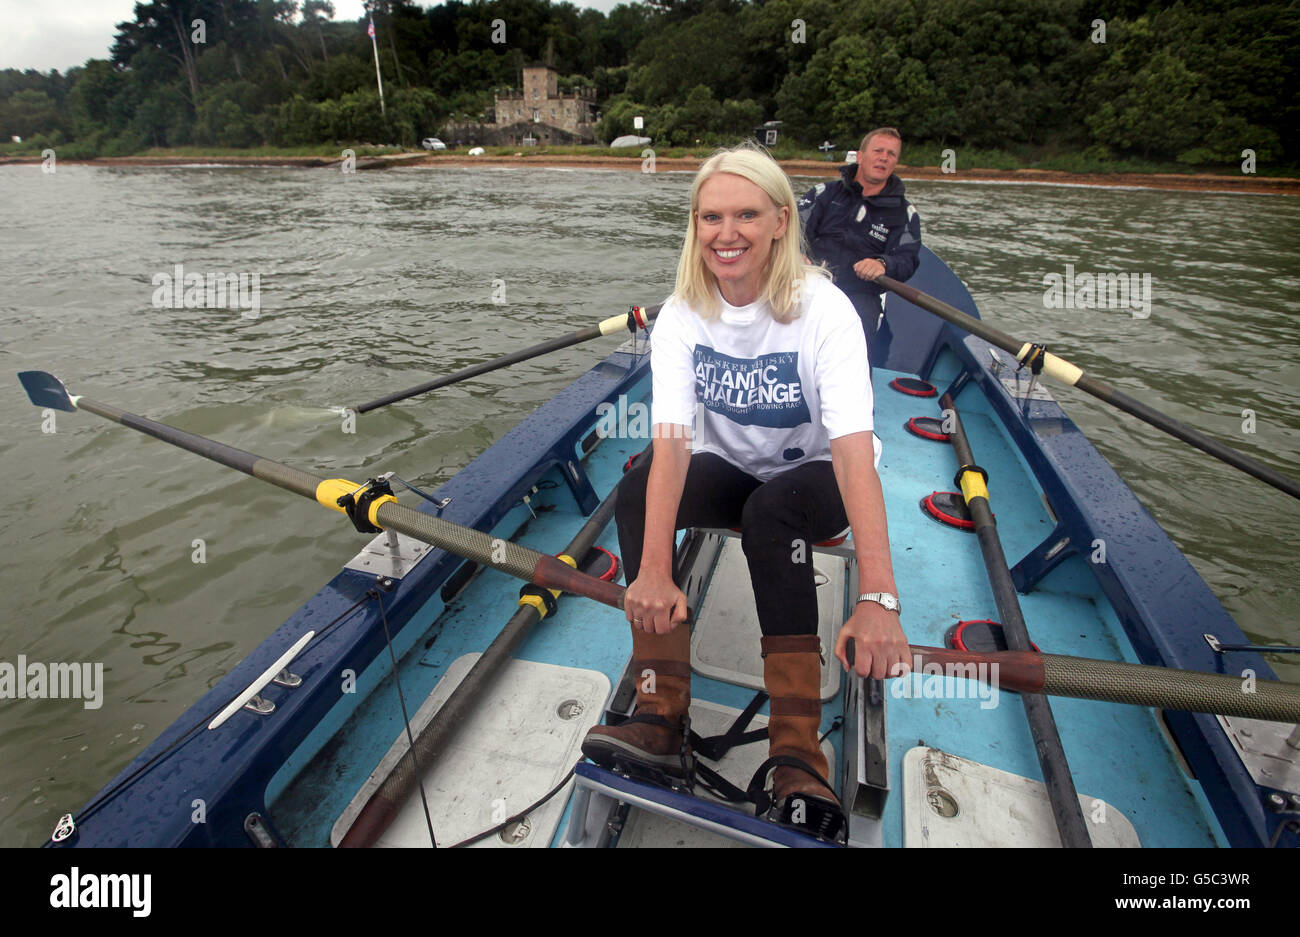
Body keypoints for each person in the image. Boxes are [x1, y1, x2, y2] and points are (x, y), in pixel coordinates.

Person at [581, 142, 909, 841]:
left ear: (782, 221)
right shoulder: (681, 316)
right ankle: (659, 711)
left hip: (818, 485)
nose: (725, 234)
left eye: (745, 215)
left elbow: (854, 459)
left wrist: (880, 598)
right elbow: (670, 442)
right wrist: (652, 571)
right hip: (734, 464)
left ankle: (797, 752)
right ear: (694, 226)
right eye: (710, 217)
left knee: (773, 510)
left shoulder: (824, 312)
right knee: (639, 493)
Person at [798, 127, 922, 364]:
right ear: (861, 156)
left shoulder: (905, 213)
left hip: (860, 294)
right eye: (878, 151)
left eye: (891, 154)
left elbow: (907, 259)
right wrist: (797, 254)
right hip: (809, 282)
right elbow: (791, 228)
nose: (884, 158)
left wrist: (883, 263)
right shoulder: (823, 193)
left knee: (856, 351)